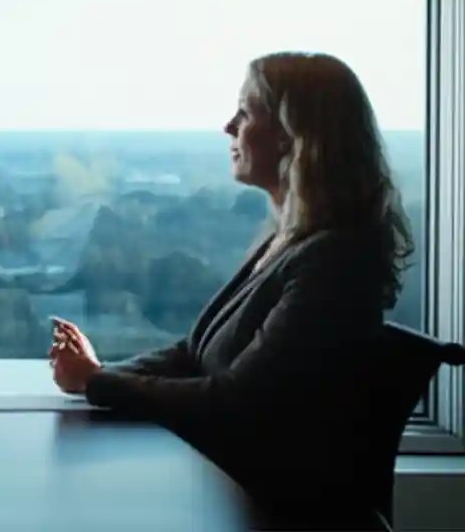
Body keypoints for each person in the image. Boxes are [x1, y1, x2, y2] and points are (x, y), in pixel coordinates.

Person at [49, 51, 413, 523]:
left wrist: (97, 382)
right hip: (234, 498)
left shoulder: (334, 262)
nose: (229, 127)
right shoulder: (287, 239)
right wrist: (99, 374)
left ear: (291, 135)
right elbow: (194, 353)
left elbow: (237, 405)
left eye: (245, 112)